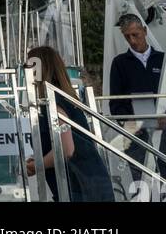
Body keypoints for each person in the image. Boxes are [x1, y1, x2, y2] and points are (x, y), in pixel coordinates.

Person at [25, 45, 114, 202]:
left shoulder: (55, 103)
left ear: (39, 70)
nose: (27, 73)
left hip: (80, 188)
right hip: (87, 184)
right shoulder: (64, 98)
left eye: (29, 67)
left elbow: (66, 149)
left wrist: (37, 165)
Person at [108, 13, 166, 187]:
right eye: (128, 37)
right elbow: (115, 105)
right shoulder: (119, 63)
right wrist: (136, 121)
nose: (133, 41)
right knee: (141, 184)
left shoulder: (164, 60)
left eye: (136, 35)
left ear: (144, 31)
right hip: (136, 135)